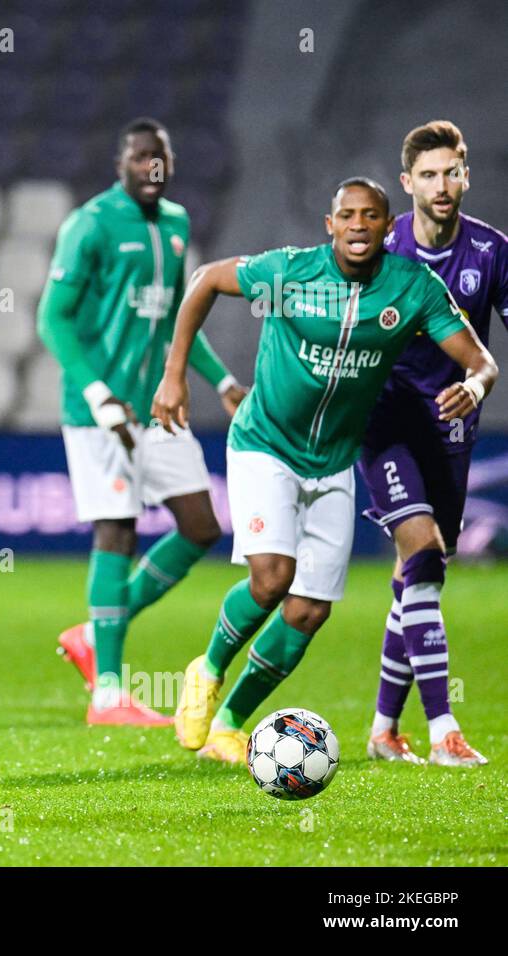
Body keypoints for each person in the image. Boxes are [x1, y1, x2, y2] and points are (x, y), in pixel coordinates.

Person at [156, 178, 497, 763]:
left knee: (309, 609)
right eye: (348, 215)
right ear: (330, 225)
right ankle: (207, 670)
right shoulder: (290, 273)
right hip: (265, 444)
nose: (359, 224)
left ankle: (228, 726)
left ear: (387, 228)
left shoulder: (413, 287)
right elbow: (206, 279)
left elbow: (480, 360)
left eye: (371, 216)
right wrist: (174, 374)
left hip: (335, 461)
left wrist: (474, 385)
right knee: (272, 577)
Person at [37, 117, 247, 725]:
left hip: (158, 408)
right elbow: (53, 318)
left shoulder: (176, 224)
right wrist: (98, 393)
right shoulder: (91, 224)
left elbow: (178, 321)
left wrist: (223, 381)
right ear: (120, 164)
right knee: (117, 531)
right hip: (99, 413)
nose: (151, 166)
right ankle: (107, 694)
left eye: (161, 157)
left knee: (201, 526)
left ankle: (95, 630)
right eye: (140, 157)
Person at [362, 121, 508, 767]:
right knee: (421, 551)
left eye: (451, 172)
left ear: (466, 176)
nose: (441, 185)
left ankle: (383, 730)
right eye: (428, 174)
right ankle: (443, 729)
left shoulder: (492, 251)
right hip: (386, 422)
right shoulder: (380, 246)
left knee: (420, 573)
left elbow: (486, 357)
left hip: (451, 426)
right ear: (407, 183)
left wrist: (475, 386)